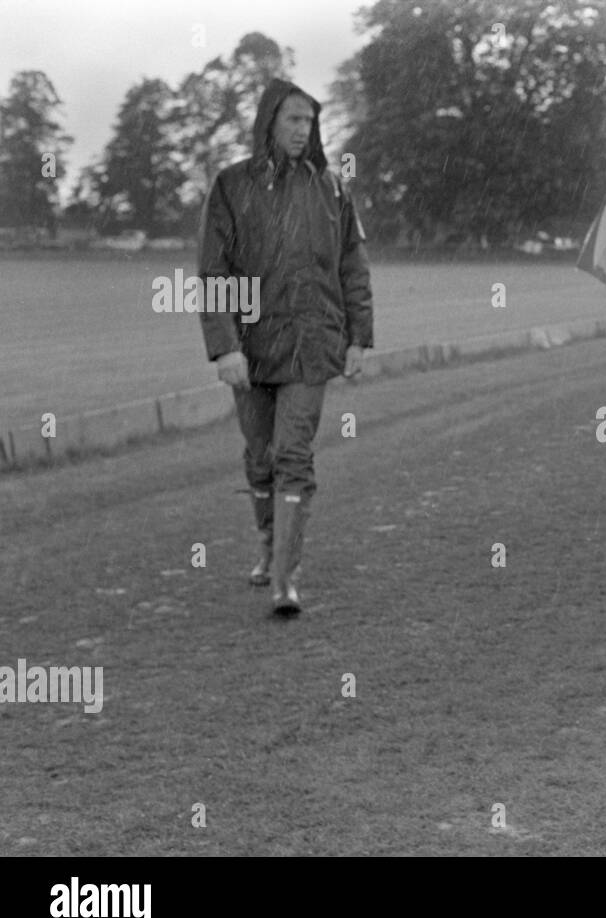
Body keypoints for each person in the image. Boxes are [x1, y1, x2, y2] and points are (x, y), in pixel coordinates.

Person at [199, 79, 374, 617]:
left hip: (312, 344)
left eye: (310, 121)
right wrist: (225, 347)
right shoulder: (230, 186)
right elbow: (214, 272)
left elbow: (353, 266)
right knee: (260, 457)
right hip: (250, 348)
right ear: (268, 121)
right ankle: (268, 546)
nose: (303, 130)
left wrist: (360, 336)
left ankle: (285, 579)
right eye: (293, 119)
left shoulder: (332, 188)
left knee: (294, 456)